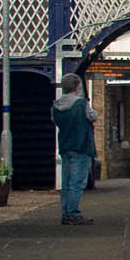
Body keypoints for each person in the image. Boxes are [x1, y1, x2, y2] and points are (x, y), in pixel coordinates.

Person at [51, 73, 99, 226]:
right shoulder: (81, 104)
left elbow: (55, 120)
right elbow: (94, 116)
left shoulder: (56, 106)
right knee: (77, 182)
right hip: (81, 146)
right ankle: (73, 213)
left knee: (66, 183)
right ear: (77, 87)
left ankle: (66, 212)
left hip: (65, 146)